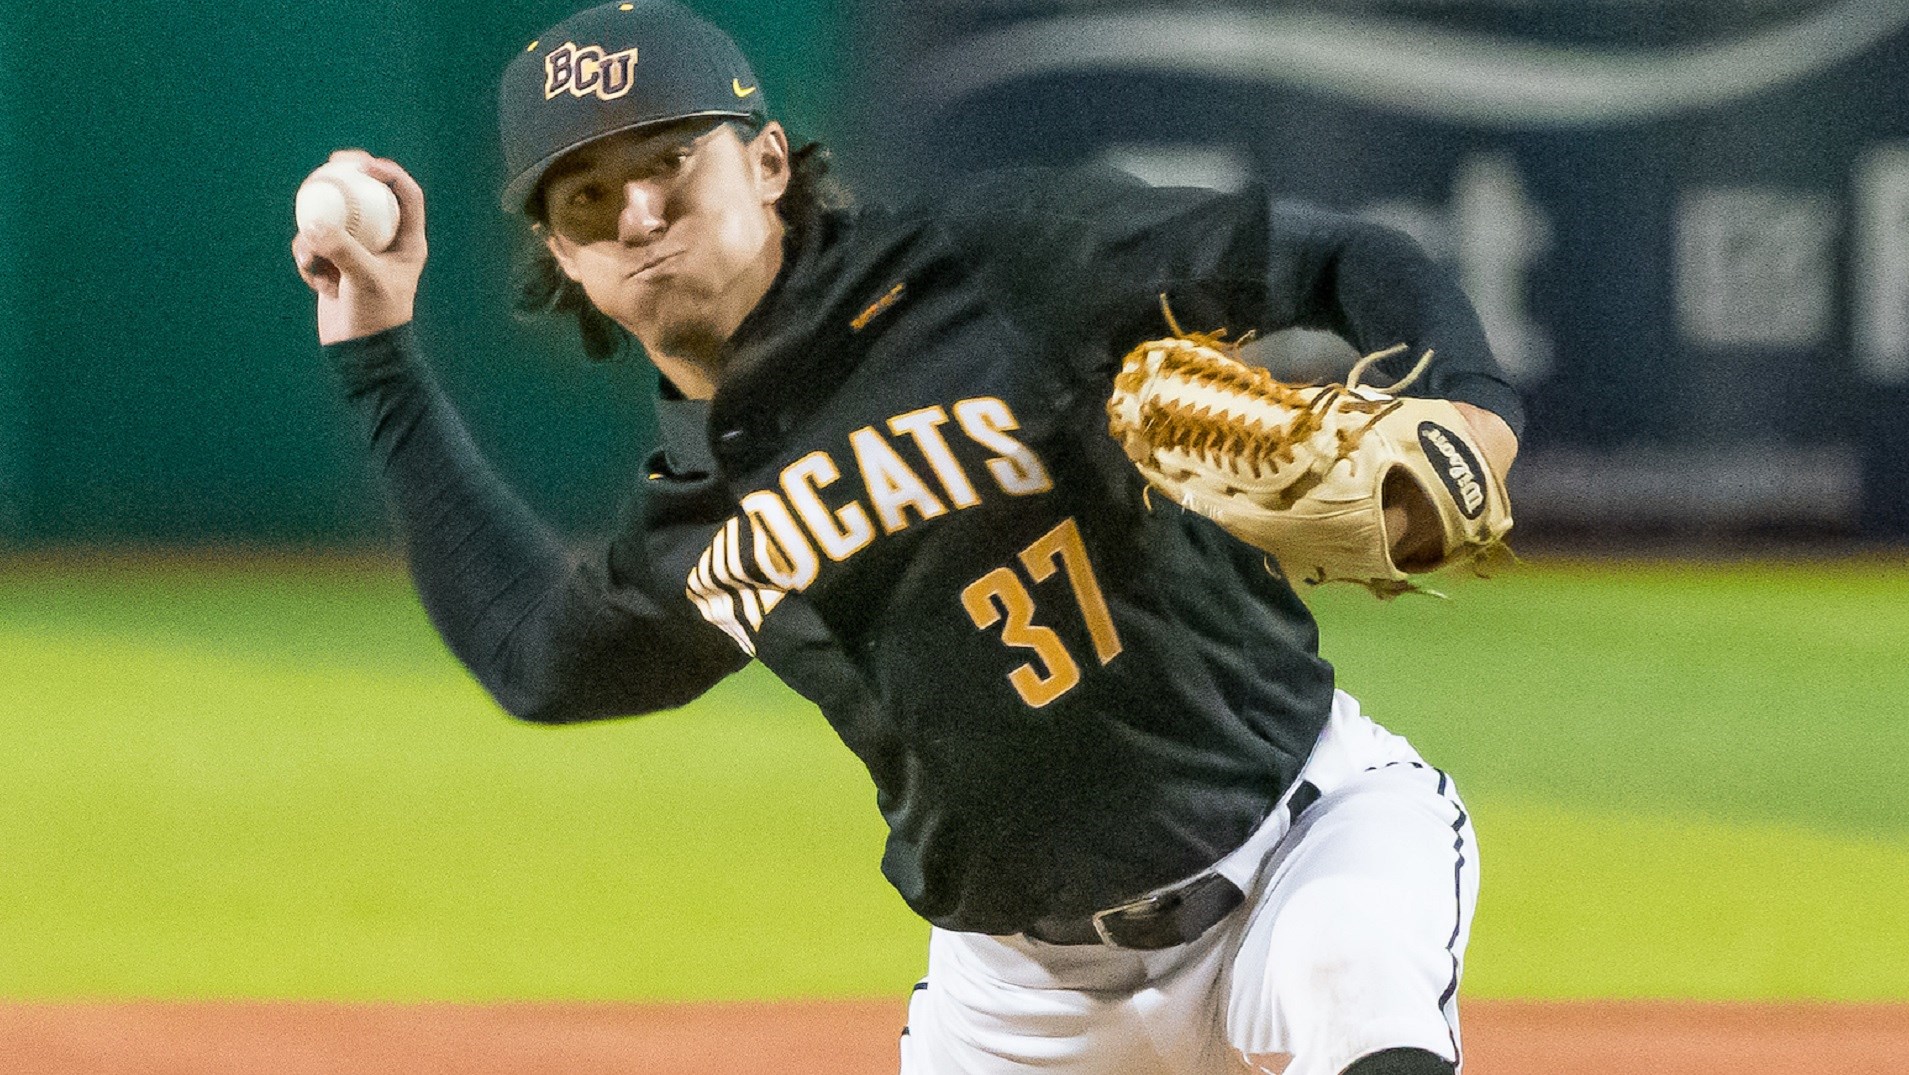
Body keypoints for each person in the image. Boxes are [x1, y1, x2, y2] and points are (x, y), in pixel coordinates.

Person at [291, 2, 1522, 1072]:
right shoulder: (689, 519)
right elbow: (537, 656)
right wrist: (376, 357)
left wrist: (1476, 412)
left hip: (1303, 847)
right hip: (1021, 992)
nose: (640, 209)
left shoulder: (988, 264)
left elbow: (1337, 260)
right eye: (588, 196)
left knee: (1356, 998)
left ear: (768, 161)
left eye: (671, 157)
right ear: (564, 254)